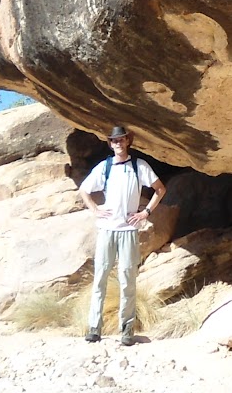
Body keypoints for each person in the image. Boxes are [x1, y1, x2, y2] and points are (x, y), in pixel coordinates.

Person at [78, 124, 165, 345]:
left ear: (128, 141)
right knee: (100, 279)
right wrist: (96, 210)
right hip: (107, 230)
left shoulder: (139, 166)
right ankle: (94, 328)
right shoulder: (105, 167)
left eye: (122, 140)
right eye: (114, 141)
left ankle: (126, 330)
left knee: (128, 280)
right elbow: (84, 190)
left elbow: (160, 189)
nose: (118, 144)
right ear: (110, 143)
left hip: (128, 231)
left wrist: (145, 212)